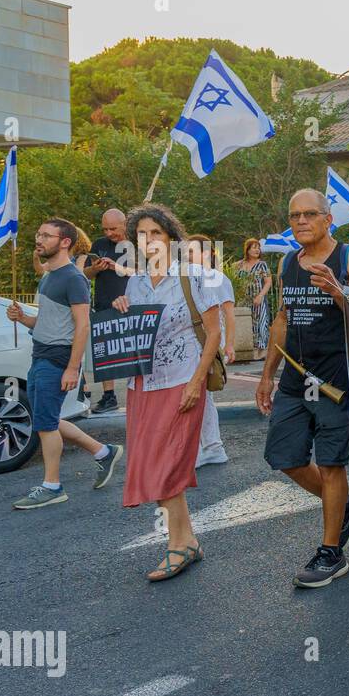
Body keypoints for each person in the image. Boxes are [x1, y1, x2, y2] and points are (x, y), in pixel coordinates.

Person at [258, 189, 349, 588]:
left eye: (310, 214)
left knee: (331, 463)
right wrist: (266, 374)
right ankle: (341, 508)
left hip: (337, 380)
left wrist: (340, 295)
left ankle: (331, 553)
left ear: (328, 219)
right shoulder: (288, 262)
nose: (301, 221)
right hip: (295, 379)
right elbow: (283, 319)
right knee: (283, 456)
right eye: (294, 215)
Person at [110, 204, 221, 581]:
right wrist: (121, 309)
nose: (149, 240)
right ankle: (186, 541)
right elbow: (132, 331)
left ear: (171, 237)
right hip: (142, 383)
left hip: (182, 380)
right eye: (141, 234)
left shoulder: (194, 276)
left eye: (156, 233)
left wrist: (197, 382)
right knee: (153, 461)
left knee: (168, 463)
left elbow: (214, 333)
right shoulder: (136, 281)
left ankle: (179, 547)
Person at [6, 218, 124, 510]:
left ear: (65, 242)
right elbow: (45, 321)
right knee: (46, 419)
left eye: (46, 235)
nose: (39, 239)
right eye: (38, 234)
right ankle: (103, 452)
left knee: (45, 424)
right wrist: (22, 318)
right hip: (40, 354)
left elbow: (82, 325)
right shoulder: (48, 276)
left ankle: (52, 486)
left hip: (57, 358)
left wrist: (73, 368)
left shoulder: (74, 278)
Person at [185, 235, 236, 468]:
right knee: (203, 395)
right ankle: (211, 447)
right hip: (196, 340)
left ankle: (211, 447)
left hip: (209, 340)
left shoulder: (216, 277)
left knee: (203, 394)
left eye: (192, 251)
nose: (187, 255)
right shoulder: (188, 277)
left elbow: (229, 313)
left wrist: (230, 344)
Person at [86, 209, 132, 412]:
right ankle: (108, 396)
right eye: (105, 229)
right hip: (104, 304)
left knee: (135, 351)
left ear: (125, 224)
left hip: (132, 305)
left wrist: (117, 267)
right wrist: (96, 268)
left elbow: (148, 273)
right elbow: (86, 274)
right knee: (104, 352)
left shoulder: (137, 244)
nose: (109, 233)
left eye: (113, 229)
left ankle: (139, 393)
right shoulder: (99, 244)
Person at [237, 239, 272, 360]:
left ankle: (261, 352)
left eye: (258, 247)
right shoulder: (239, 265)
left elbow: (268, 282)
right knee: (247, 324)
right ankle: (248, 350)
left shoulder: (262, 264)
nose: (257, 250)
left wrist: (261, 295)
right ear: (247, 250)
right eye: (254, 247)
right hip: (243, 300)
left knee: (261, 323)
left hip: (258, 298)